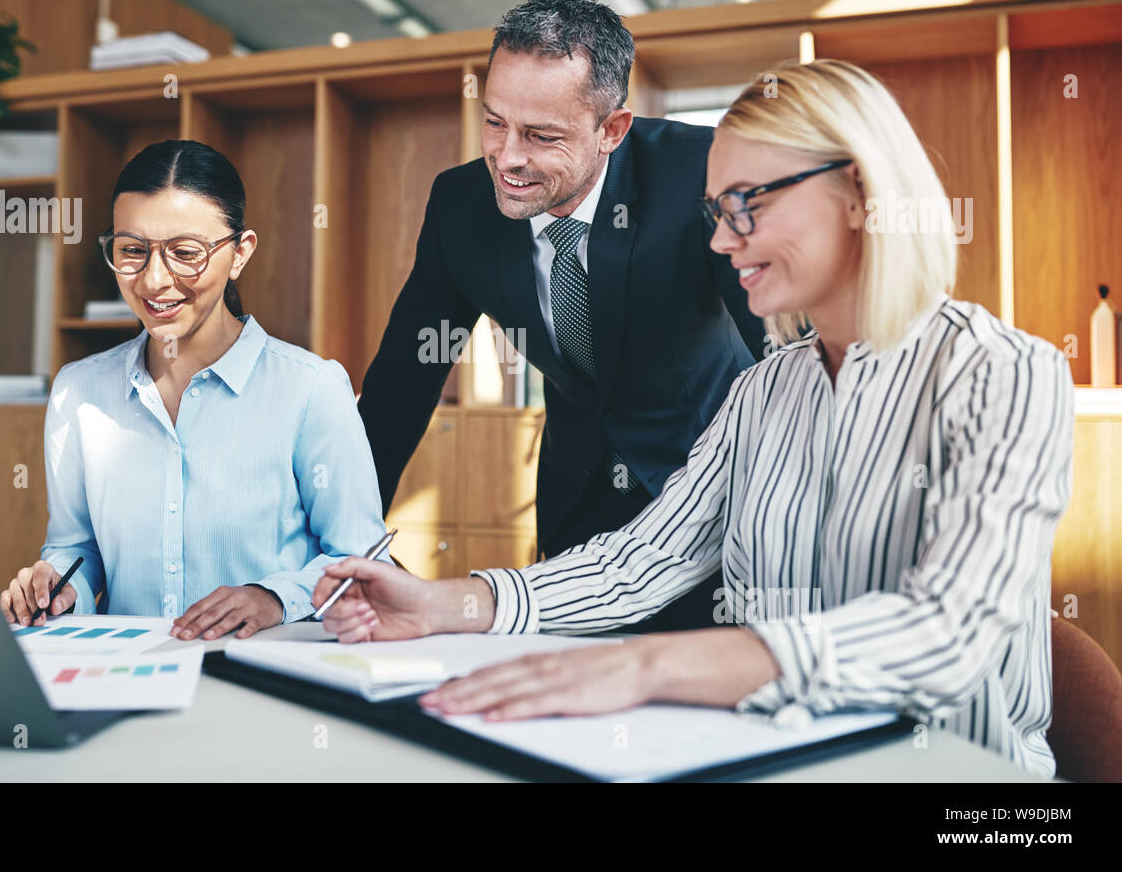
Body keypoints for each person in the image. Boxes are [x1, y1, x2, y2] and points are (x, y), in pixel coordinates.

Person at [314, 60, 1075, 776]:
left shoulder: (1005, 375)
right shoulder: (763, 394)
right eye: (715, 210)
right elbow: (638, 563)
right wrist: (449, 603)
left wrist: (649, 664)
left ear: (859, 191)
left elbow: (949, 630)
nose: (718, 239)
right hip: (774, 758)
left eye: (750, 203)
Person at [357, 0, 764, 632]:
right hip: (578, 500)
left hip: (715, 495)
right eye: (494, 123)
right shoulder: (461, 205)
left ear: (612, 130)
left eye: (542, 136)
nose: (508, 158)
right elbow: (401, 382)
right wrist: (353, 535)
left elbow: (784, 357)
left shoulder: (699, 172)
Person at [0, 140, 387, 641]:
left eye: (185, 253)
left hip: (261, 674)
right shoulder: (79, 392)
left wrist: (274, 598)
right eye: (132, 251)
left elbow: (360, 558)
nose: (155, 280)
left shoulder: (311, 389)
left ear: (240, 253)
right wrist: (60, 585)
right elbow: (77, 549)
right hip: (126, 673)